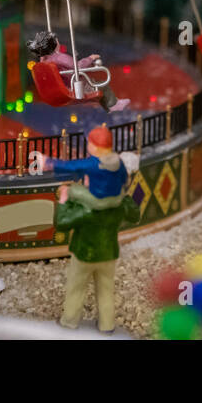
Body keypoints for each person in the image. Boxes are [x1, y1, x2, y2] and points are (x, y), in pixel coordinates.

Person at [54, 168, 141, 332]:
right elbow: (135, 216)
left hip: (84, 255)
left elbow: (61, 223)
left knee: (76, 289)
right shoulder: (117, 202)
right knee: (106, 291)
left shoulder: (85, 206)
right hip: (108, 254)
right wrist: (124, 194)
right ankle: (107, 326)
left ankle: (69, 322)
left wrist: (63, 201)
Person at [27, 30, 129, 112]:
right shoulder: (60, 58)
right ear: (53, 44)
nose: (58, 41)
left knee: (96, 84)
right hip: (75, 88)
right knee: (102, 85)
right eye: (56, 40)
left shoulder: (43, 62)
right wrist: (90, 58)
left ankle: (109, 107)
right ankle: (114, 105)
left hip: (57, 90)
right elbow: (78, 67)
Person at [37, 125, 137, 208]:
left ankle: (63, 204)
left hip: (99, 201)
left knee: (71, 189)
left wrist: (49, 163)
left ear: (95, 147)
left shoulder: (93, 163)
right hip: (117, 198)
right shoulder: (118, 160)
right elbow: (124, 179)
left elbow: (72, 166)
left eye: (89, 143)